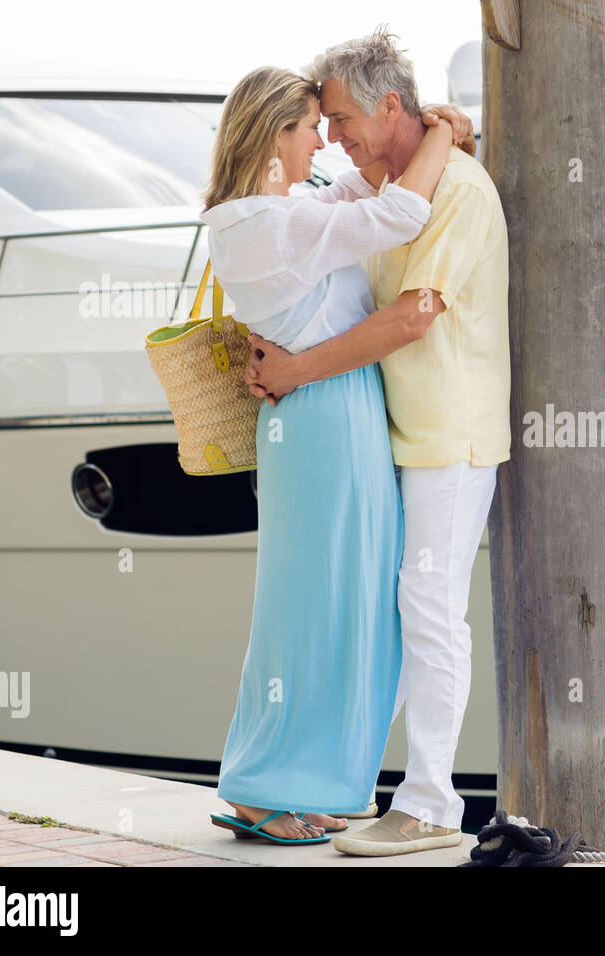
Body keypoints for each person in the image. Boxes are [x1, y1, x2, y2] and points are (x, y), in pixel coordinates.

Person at [244, 27, 510, 855]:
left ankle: (430, 805)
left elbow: (412, 314)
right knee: (384, 618)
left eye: (341, 118)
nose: (331, 136)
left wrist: (296, 372)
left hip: (450, 437)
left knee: (430, 614)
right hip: (397, 435)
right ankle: (349, 783)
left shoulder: (456, 190)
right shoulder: (391, 183)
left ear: (389, 105)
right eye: (319, 121)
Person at [201, 63, 468, 844]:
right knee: (330, 608)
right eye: (311, 126)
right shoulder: (274, 225)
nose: (323, 138)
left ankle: (280, 781)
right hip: (328, 416)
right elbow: (402, 213)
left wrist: (398, 148)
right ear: (277, 134)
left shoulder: (260, 217)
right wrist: (445, 131)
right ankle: (273, 787)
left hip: (315, 417)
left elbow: (355, 202)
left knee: (311, 607)